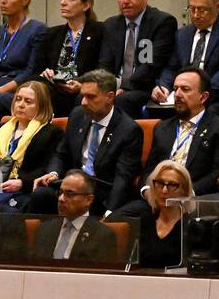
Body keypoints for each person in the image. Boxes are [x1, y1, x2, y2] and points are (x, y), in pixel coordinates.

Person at [28, 70, 142, 216]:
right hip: (71, 185)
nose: (83, 102)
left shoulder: (128, 130)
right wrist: (53, 173)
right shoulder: (78, 114)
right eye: (83, 96)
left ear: (110, 97)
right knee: (40, 194)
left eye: (91, 97)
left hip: (99, 192)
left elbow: (123, 177)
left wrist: (110, 211)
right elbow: (61, 153)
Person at [97, 0, 177, 118]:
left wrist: (124, 87)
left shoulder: (161, 22)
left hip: (144, 88)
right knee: (84, 98)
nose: (125, 0)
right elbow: (105, 65)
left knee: (123, 100)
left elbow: (149, 66)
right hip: (115, 87)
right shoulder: (111, 25)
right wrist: (108, 88)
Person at [143, 66, 219, 196]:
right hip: (158, 196)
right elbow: (150, 169)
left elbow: (217, 174)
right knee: (124, 210)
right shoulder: (162, 127)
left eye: (185, 89)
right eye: (175, 89)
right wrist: (147, 191)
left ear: (203, 97)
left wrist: (186, 194)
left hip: (193, 198)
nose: (177, 94)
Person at [0, 80, 61, 211]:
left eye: (28, 101)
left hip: (22, 191)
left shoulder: (51, 132)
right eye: (18, 99)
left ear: (42, 106)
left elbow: (46, 169)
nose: (21, 105)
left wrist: (23, 183)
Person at [36, 0, 105, 118]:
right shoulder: (52, 34)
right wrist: (45, 73)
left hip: (82, 88)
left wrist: (81, 84)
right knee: (33, 86)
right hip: (55, 87)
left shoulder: (100, 31)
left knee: (84, 97)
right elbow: (37, 67)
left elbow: (103, 68)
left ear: (86, 5)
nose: (63, 2)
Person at [29, 169, 117, 262]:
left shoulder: (103, 235)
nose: (61, 199)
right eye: (60, 193)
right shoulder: (44, 229)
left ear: (88, 200)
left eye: (69, 194)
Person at [135, 160, 191, 268]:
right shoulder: (144, 221)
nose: (164, 190)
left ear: (184, 191)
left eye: (172, 185)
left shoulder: (190, 226)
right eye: (160, 183)